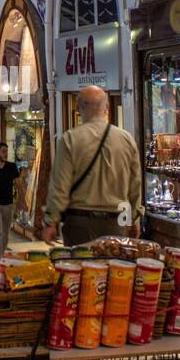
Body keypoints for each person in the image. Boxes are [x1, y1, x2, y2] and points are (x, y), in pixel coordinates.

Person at [41, 85, 142, 248]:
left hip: (79, 224)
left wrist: (50, 221)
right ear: (107, 107)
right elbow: (135, 186)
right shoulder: (126, 139)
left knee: (82, 271)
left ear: (79, 107)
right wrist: (134, 219)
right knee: (115, 270)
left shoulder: (70, 139)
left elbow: (60, 186)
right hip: (117, 222)